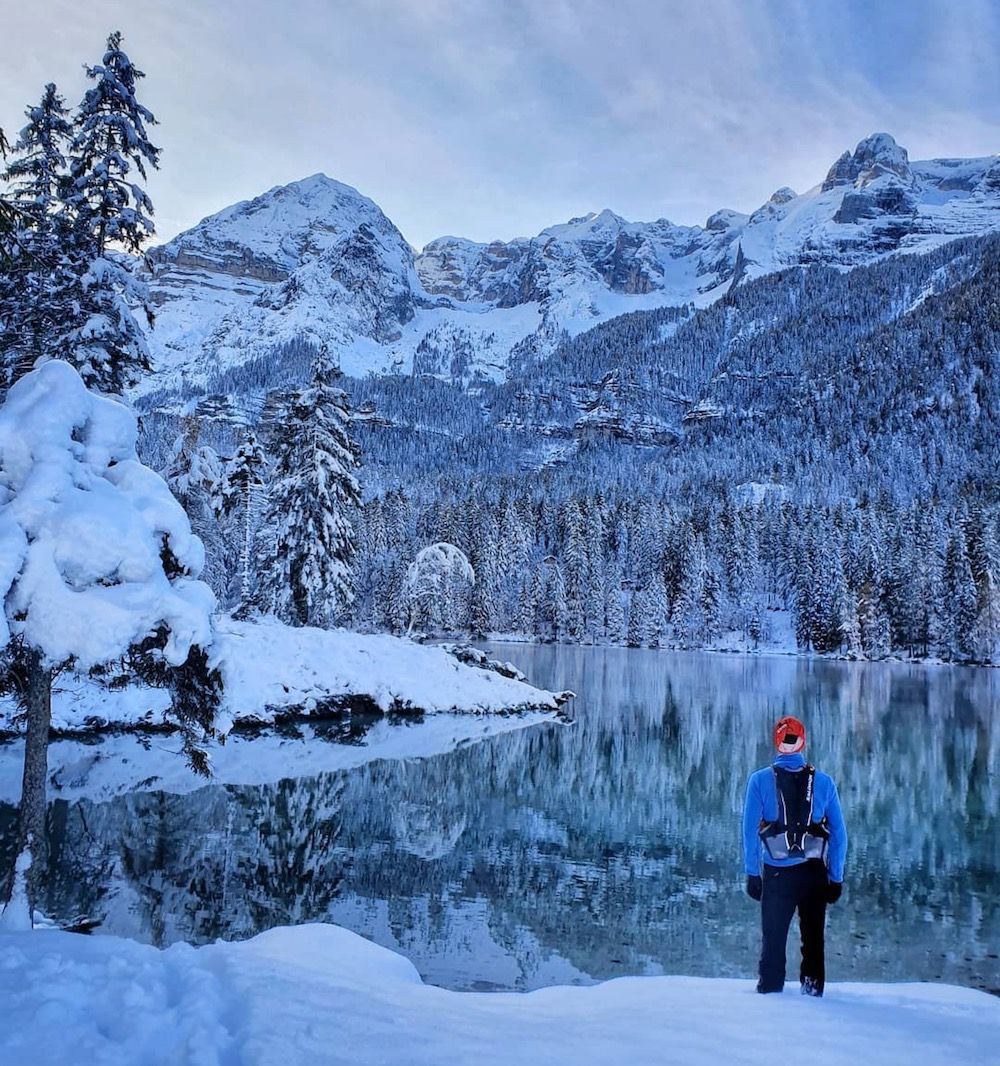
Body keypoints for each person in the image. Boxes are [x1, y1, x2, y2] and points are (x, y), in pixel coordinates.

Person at [741, 715, 847, 997]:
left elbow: (749, 831)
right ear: (803, 742)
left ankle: (770, 993)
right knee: (813, 943)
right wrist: (835, 877)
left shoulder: (759, 781)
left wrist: (752, 873)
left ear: (777, 743)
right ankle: (812, 995)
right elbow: (839, 835)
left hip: (777, 873)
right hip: (814, 875)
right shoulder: (823, 782)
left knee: (773, 943)